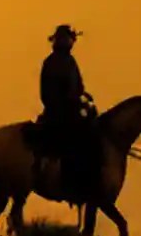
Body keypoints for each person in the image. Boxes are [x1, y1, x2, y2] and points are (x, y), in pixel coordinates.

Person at [32, 25, 96, 195]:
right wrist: (71, 102)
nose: (69, 42)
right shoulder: (51, 62)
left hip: (72, 109)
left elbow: (79, 86)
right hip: (58, 113)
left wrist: (84, 96)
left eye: (69, 39)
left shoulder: (71, 61)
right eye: (65, 39)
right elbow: (48, 94)